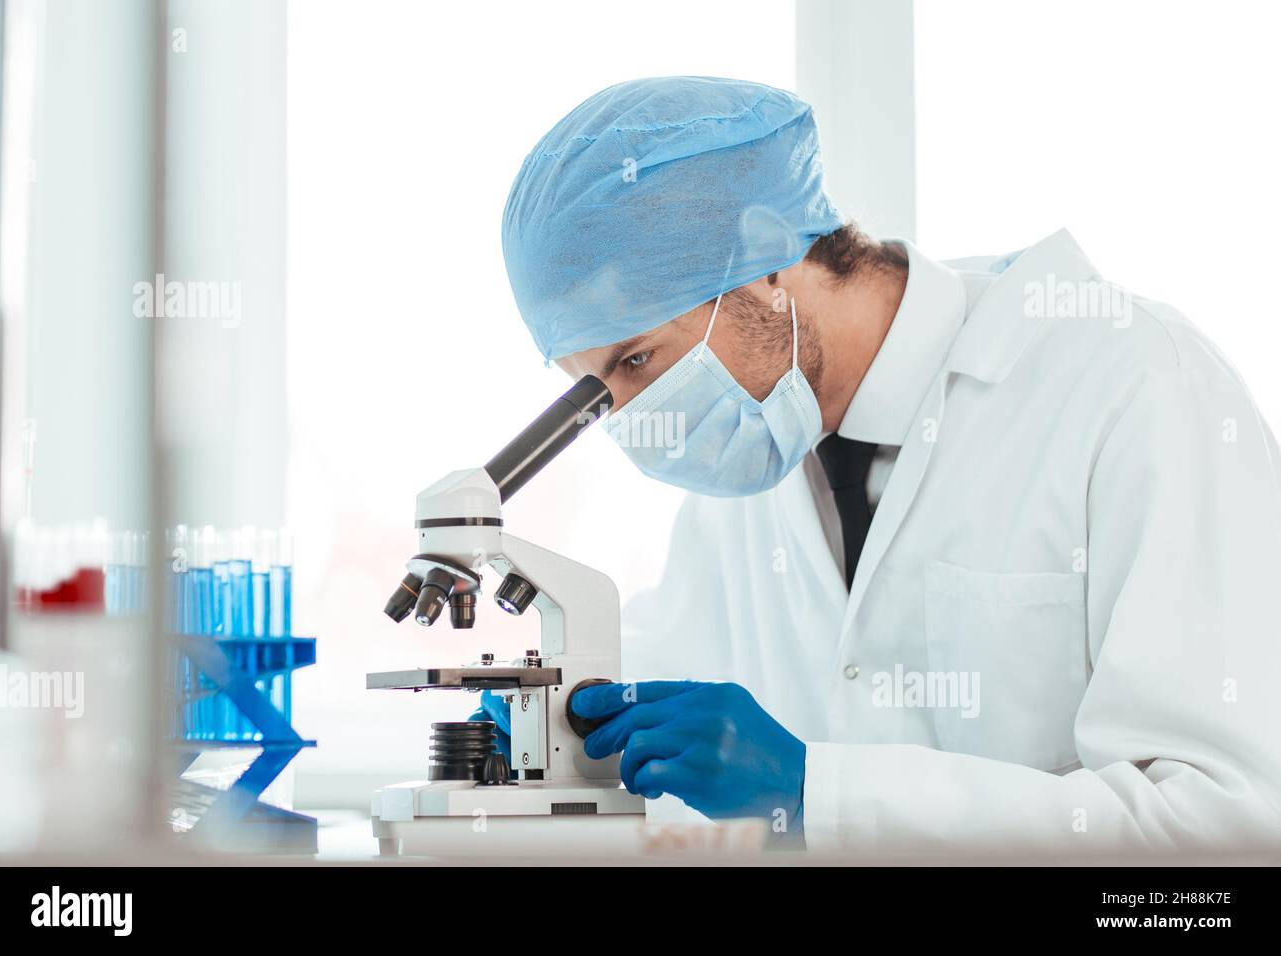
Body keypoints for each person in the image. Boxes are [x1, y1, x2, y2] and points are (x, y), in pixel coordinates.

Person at [474, 76, 1281, 853]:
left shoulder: (1135, 387)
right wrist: (557, 713)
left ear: (764, 257)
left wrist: (819, 795)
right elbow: (671, 669)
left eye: (637, 360)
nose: (630, 417)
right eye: (594, 390)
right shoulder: (749, 451)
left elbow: (1224, 822)